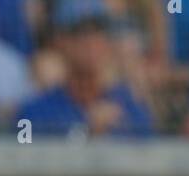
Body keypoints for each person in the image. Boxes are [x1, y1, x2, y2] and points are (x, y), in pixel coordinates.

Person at [15, 0, 154, 138]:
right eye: (79, 31)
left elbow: (151, 155)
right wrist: (86, 133)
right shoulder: (35, 113)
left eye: (98, 30)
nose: (90, 42)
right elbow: (20, 157)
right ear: (59, 40)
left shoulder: (129, 109)